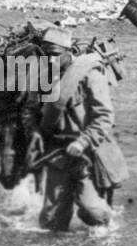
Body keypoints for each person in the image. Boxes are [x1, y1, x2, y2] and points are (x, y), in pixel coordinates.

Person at [27, 26, 129, 231]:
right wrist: (34, 132)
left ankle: (94, 210)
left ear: (68, 52)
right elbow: (29, 111)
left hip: (87, 156)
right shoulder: (42, 75)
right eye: (46, 55)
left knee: (95, 216)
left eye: (55, 55)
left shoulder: (89, 75)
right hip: (56, 154)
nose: (50, 60)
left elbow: (105, 117)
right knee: (50, 223)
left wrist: (83, 141)